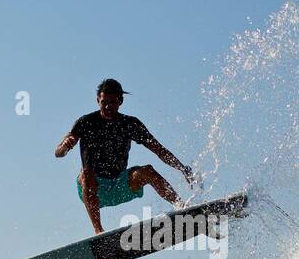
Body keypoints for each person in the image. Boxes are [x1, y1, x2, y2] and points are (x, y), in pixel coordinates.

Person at [54, 79, 196, 234]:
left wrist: (182, 168)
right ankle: (99, 231)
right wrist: (65, 147)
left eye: (112, 102)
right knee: (86, 174)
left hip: (121, 184)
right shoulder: (85, 122)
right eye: (104, 102)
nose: (108, 107)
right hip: (94, 190)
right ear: (97, 101)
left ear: (120, 101)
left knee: (148, 171)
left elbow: (159, 150)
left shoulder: (130, 124)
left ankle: (183, 209)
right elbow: (58, 153)